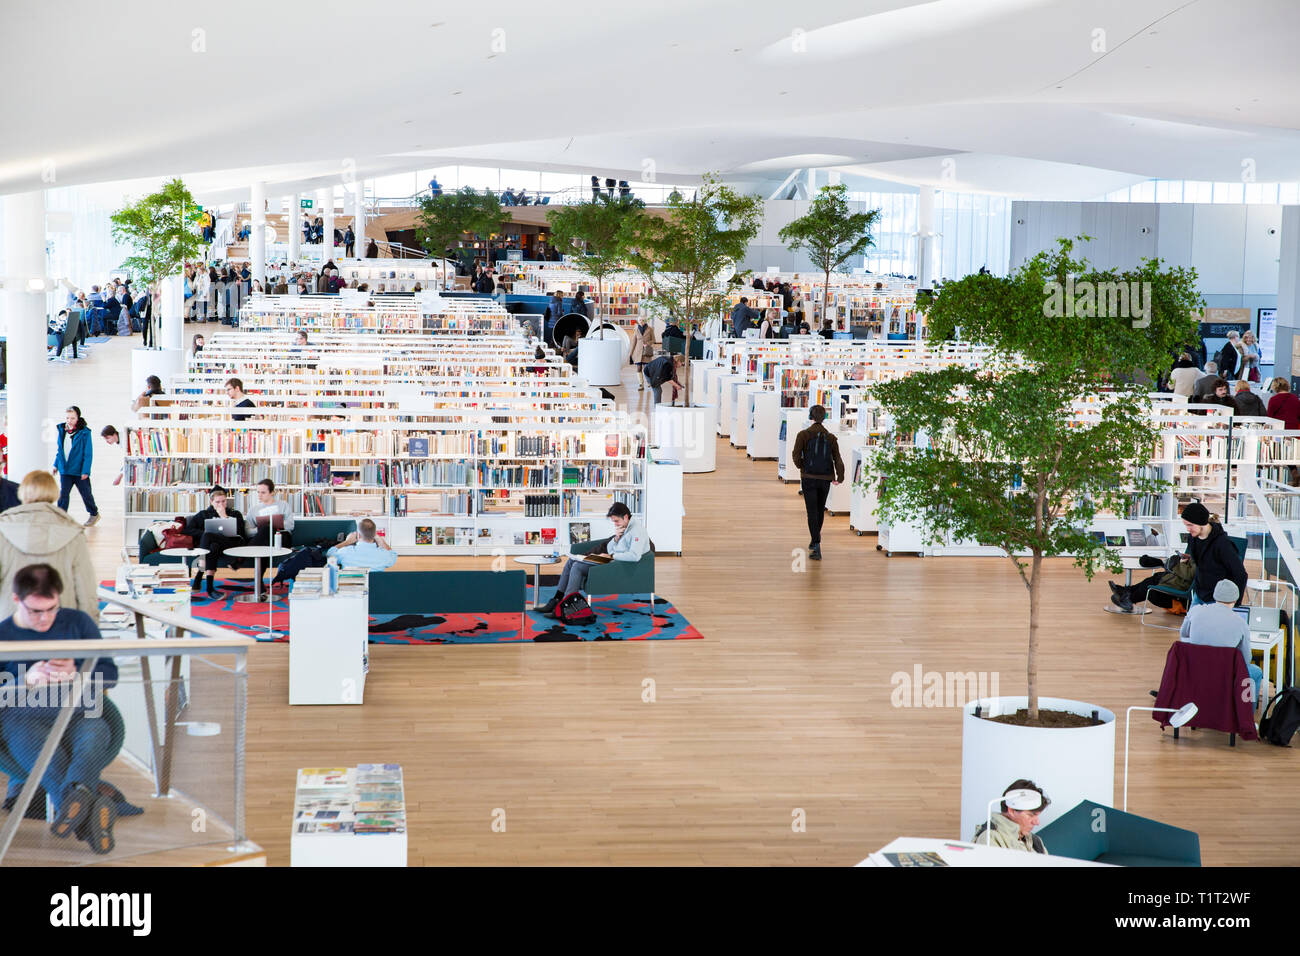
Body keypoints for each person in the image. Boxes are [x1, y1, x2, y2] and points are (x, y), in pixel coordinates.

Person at [0, 564, 121, 855]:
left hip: (80, 712)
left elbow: (111, 674)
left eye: (51, 609)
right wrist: (24, 681)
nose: (44, 619)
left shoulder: (78, 622)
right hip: (23, 719)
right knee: (46, 755)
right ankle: (87, 813)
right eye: (35, 611)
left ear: (59, 598)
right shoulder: (3, 633)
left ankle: (78, 804)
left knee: (93, 738)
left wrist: (79, 671)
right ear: (17, 599)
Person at [0, 470, 98, 620]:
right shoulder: (73, 533)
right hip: (60, 624)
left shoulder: (2, 530)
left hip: (10, 623)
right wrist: (89, 628)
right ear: (55, 493)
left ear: (22, 492)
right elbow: (86, 589)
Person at [536, 503, 647, 615]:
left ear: (626, 517)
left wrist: (612, 556)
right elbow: (610, 549)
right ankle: (557, 599)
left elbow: (635, 556)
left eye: (616, 521)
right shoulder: (624, 527)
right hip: (611, 561)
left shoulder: (636, 531)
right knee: (571, 562)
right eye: (613, 521)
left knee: (577, 567)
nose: (615, 524)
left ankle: (568, 607)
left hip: (619, 566)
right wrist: (616, 538)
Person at [1174, 580, 1262, 701]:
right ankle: (1246, 716)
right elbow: (1246, 659)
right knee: (1256, 672)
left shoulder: (1195, 611)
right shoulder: (1241, 623)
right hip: (1224, 673)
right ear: (1236, 599)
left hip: (1195, 667)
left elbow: (1183, 636)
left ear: (1215, 595)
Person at [791, 405, 845, 562]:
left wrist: (803, 467)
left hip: (808, 478)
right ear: (825, 418)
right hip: (825, 479)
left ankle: (816, 542)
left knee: (811, 511)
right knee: (820, 510)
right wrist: (839, 477)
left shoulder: (803, 435)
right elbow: (838, 459)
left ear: (810, 417)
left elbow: (795, 456)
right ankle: (815, 540)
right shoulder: (831, 437)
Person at [1180, 502, 1247, 607]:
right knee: (1190, 623)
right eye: (1186, 525)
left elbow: (1241, 575)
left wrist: (1235, 604)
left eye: (1190, 525)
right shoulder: (1192, 539)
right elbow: (1203, 562)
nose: (1188, 529)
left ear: (1201, 522)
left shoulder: (1223, 544)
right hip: (1200, 594)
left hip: (1218, 599)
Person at [185, 485, 247, 597]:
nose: (221, 504)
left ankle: (200, 569)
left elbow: (241, 533)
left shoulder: (234, 514)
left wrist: (224, 516)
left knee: (209, 536)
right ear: (211, 501)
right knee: (212, 545)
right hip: (213, 548)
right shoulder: (203, 514)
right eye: (218, 502)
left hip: (230, 545)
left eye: (224, 501)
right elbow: (188, 530)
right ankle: (210, 590)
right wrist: (204, 534)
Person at [970, 780, 1050, 853]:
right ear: (1011, 811)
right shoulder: (989, 837)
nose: (1037, 822)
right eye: (1031, 815)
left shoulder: (1036, 842)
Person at [53, 406, 98, 527]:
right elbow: (60, 450)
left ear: (78, 418)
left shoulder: (85, 433)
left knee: (86, 494)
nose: (69, 420)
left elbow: (88, 454)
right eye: (67, 418)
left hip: (79, 470)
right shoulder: (62, 430)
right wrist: (56, 465)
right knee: (63, 494)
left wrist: (85, 471)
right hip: (65, 469)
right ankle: (61, 517)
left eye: (72, 418)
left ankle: (94, 514)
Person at [1108, 552, 1196, 613]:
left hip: (1182, 590)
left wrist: (1181, 563)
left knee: (1148, 587)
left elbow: (1190, 575)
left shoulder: (1204, 558)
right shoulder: (1201, 554)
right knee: (1155, 578)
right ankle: (1125, 592)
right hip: (1179, 581)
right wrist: (1189, 558)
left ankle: (1128, 598)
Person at [327, 518, 397, 571]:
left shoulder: (345, 552)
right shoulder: (384, 555)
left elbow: (329, 554)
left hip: (350, 588)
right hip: (375, 588)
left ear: (358, 535)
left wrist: (347, 542)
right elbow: (393, 555)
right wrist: (381, 540)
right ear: (375, 534)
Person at [629, 319, 655, 390]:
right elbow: (634, 342)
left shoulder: (650, 329)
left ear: (645, 321)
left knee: (646, 368)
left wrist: (647, 343)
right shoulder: (636, 329)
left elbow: (653, 340)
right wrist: (630, 353)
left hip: (646, 352)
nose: (641, 321)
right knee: (638, 368)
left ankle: (649, 381)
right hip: (638, 352)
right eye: (640, 320)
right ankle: (641, 384)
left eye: (643, 320)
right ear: (638, 321)